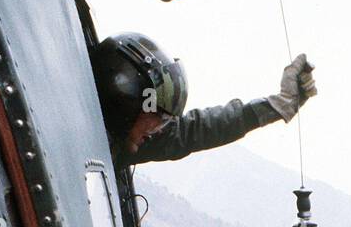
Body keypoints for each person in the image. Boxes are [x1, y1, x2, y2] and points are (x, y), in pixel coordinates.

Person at [90, 33, 316, 166]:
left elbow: (194, 131)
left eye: (164, 121)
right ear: (123, 102)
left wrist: (275, 106)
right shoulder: (89, 140)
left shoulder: (119, 141)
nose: (157, 129)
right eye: (155, 116)